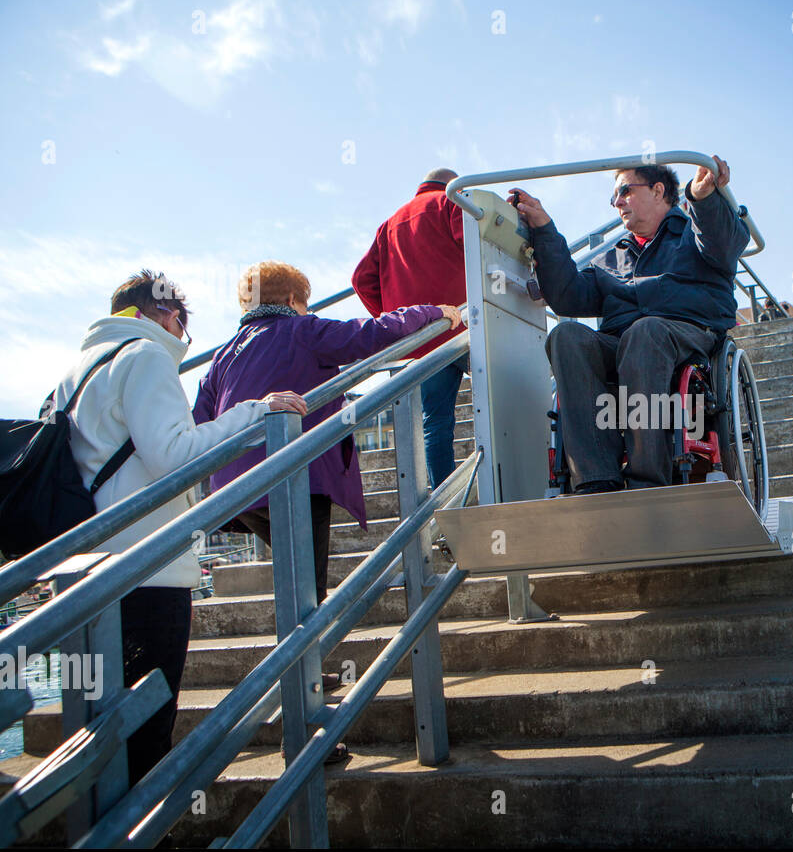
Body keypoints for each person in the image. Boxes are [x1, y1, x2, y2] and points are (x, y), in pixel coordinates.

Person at [56, 270, 306, 785]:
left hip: (84, 578)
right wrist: (253, 413)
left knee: (103, 737)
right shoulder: (144, 356)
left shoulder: (77, 371)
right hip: (148, 572)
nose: (183, 333)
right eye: (183, 319)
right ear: (165, 316)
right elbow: (175, 456)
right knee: (146, 735)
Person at [194, 261, 460, 606]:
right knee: (308, 588)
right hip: (296, 479)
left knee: (297, 575)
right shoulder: (302, 331)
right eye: (306, 304)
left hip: (236, 489)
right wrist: (432, 312)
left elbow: (200, 421)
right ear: (292, 300)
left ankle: (300, 642)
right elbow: (372, 334)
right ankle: (304, 653)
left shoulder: (223, 354)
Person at [509, 156, 749, 492]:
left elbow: (727, 244)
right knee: (567, 336)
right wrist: (544, 228)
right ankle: (597, 480)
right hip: (626, 344)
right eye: (613, 197)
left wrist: (701, 196)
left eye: (624, 191)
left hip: (688, 336)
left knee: (645, 332)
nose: (617, 202)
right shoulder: (611, 258)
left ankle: (646, 481)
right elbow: (567, 296)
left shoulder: (693, 232)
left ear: (658, 190)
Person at [352, 168, 470, 489]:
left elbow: (360, 279)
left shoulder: (388, 225)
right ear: (452, 185)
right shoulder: (452, 203)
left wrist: (395, 319)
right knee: (505, 395)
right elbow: (477, 250)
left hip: (420, 340)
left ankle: (444, 507)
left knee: (436, 424)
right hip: (464, 327)